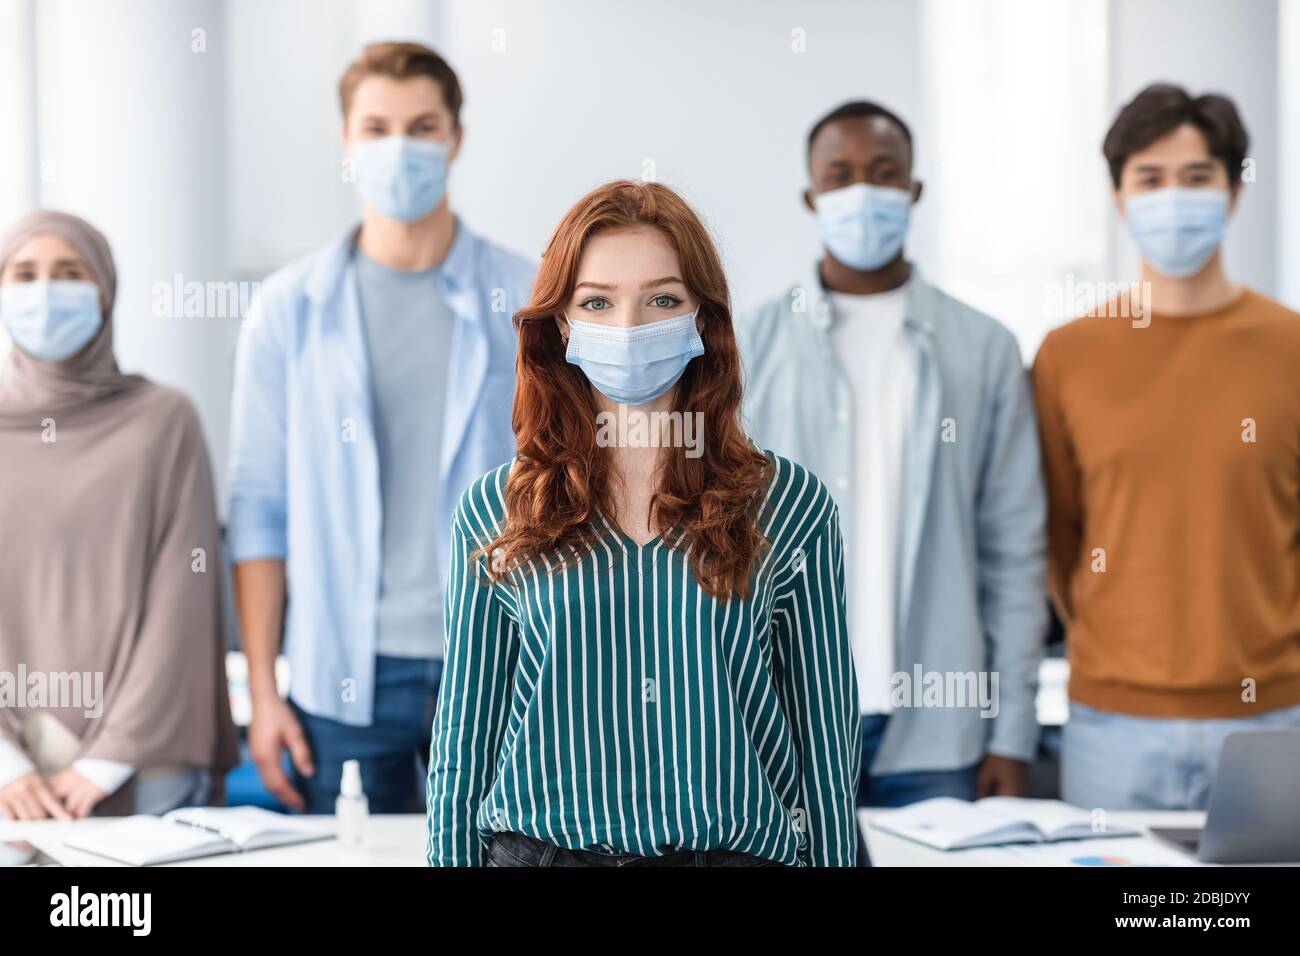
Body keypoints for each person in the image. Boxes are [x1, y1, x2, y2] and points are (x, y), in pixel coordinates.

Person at [426, 180, 860, 867]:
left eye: (662, 300)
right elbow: (463, 740)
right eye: (597, 302)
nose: (628, 328)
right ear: (561, 325)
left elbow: (826, 743)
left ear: (701, 318)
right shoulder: (495, 510)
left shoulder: (790, 504)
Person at [227, 42, 534, 814]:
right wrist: (265, 691)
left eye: (422, 125)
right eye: (377, 126)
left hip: (505, 655)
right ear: (347, 142)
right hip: (343, 672)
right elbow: (260, 509)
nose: (400, 146)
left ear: (455, 138)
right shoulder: (290, 308)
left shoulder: (530, 299)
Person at [735, 101, 1047, 860]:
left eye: (883, 174)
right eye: (840, 176)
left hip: (940, 730)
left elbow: (1015, 551)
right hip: (780, 721)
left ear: (914, 190)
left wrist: (1011, 731)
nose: (863, 193)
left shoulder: (985, 348)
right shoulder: (747, 344)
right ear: (811, 195)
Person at [1033, 84, 1300, 811]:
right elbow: (1058, 533)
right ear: (1119, 196)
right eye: (1149, 179)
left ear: (1234, 191)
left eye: (1196, 177)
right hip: (1110, 726)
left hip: (1271, 723)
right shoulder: (1067, 355)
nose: (1172, 197)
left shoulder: (1291, 347)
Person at [0, 210, 238, 820]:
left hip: (144, 760)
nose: (45, 291)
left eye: (68, 271)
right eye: (24, 273)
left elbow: (183, 599)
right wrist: (8, 763)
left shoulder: (163, 421)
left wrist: (107, 758)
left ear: (104, 289)